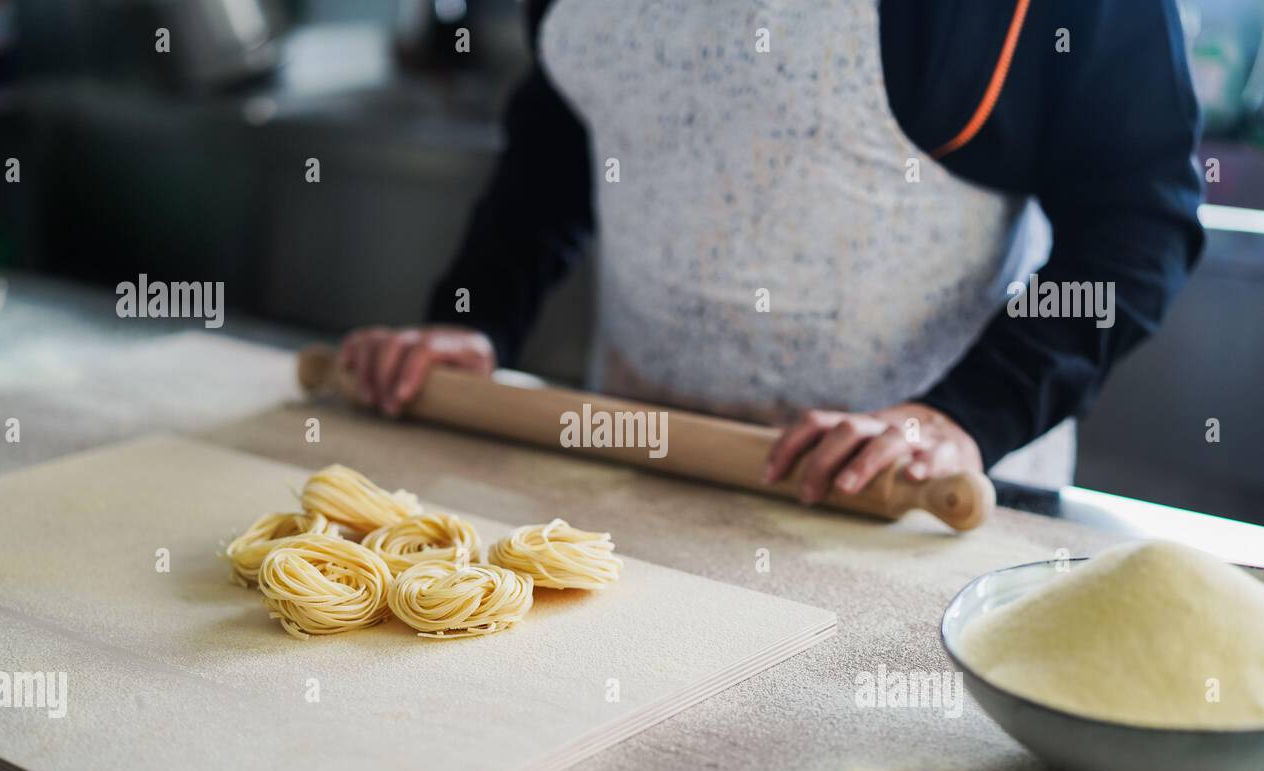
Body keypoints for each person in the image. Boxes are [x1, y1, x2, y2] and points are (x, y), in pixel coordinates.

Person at [340, 0, 1203, 502]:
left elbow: (1137, 216)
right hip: (642, 471)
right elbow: (566, 128)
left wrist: (967, 414)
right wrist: (478, 315)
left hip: (920, 503)